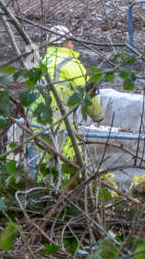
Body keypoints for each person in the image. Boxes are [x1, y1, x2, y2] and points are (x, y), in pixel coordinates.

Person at [26, 24, 102, 181]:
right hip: (61, 126)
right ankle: (67, 198)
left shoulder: (38, 60)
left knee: (43, 167)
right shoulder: (72, 64)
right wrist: (98, 117)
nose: (73, 45)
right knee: (70, 166)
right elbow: (88, 95)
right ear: (64, 43)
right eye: (71, 41)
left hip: (37, 124)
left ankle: (42, 198)